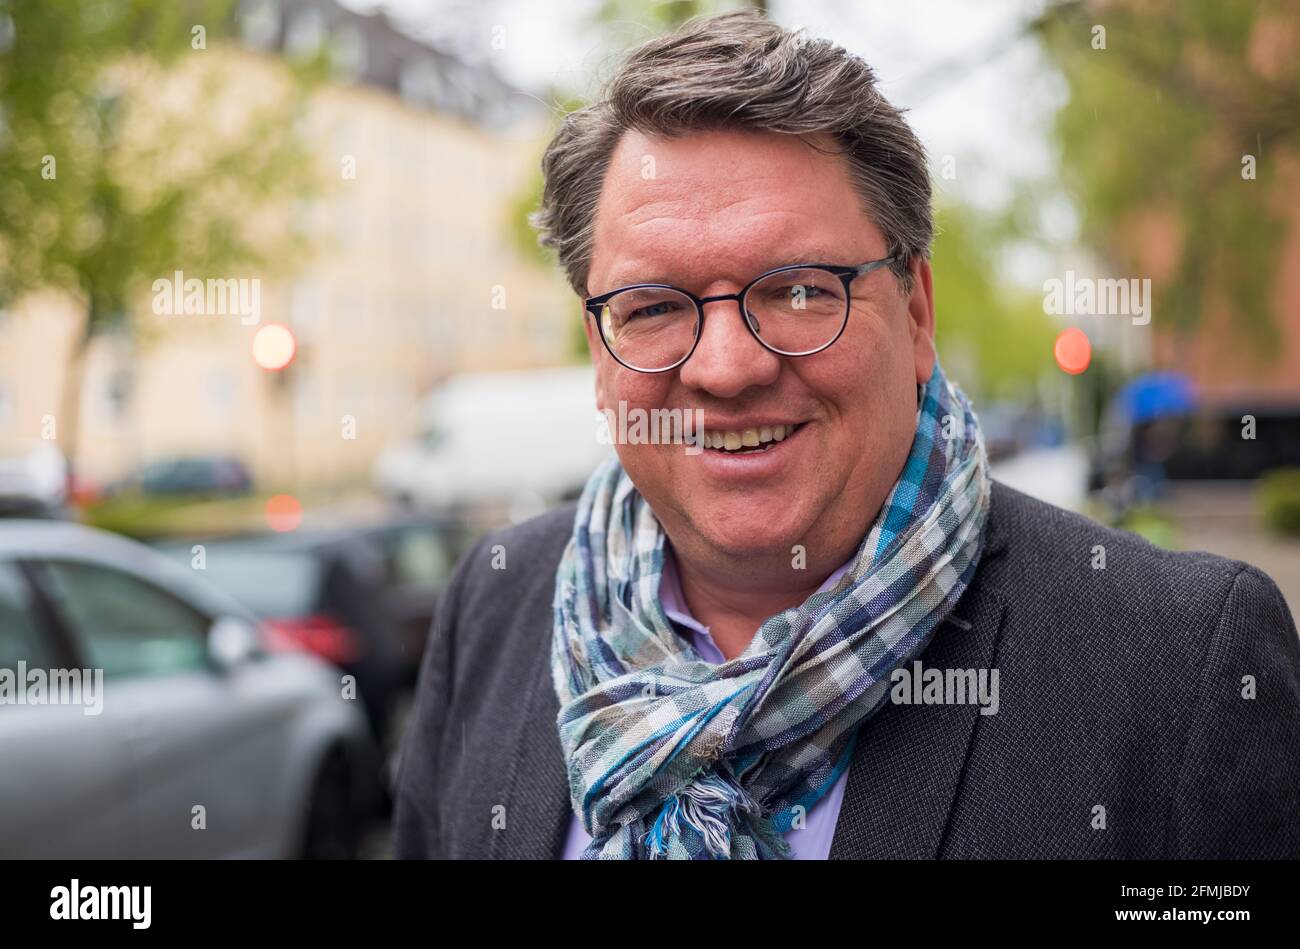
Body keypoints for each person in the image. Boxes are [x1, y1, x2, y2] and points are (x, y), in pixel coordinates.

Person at [394, 10, 1300, 859]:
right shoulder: (495, 605)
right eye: (656, 307)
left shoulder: (1180, 664)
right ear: (599, 347)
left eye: (797, 290)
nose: (725, 367)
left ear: (915, 310)